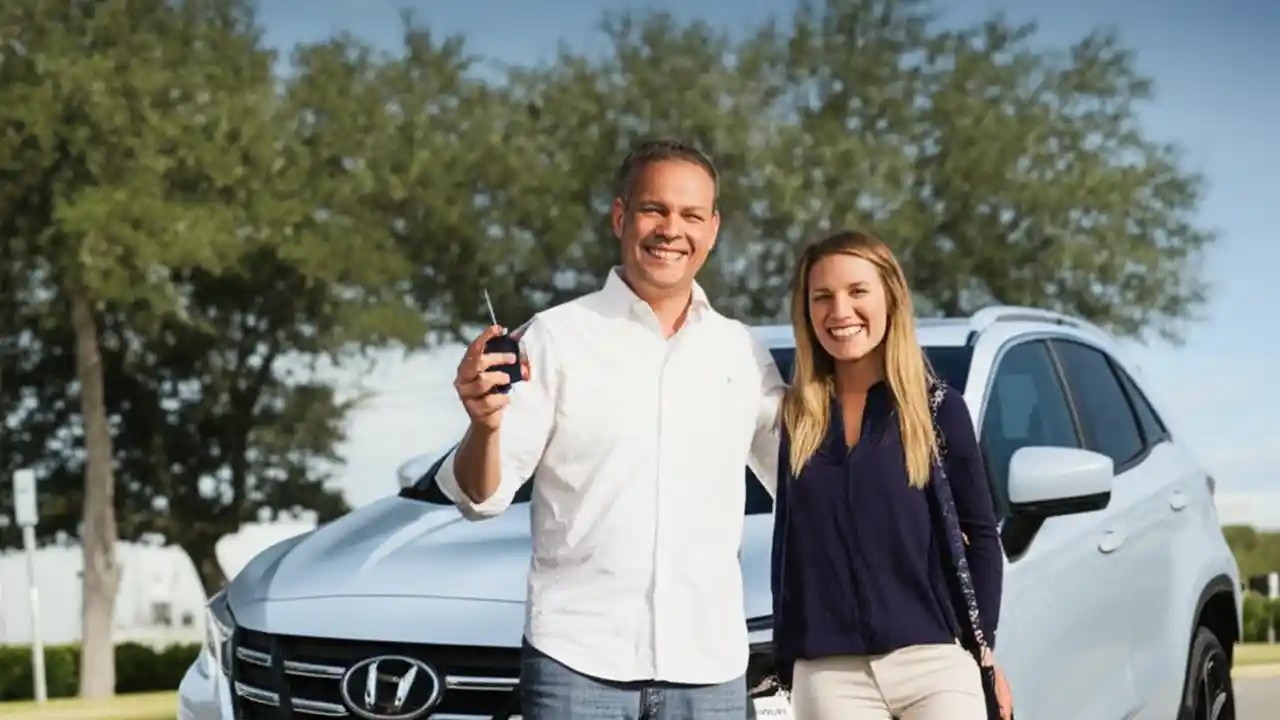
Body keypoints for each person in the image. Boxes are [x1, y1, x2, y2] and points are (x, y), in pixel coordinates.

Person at [435, 138, 786, 719]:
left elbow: (806, 481)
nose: (671, 229)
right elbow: (481, 496)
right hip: (576, 664)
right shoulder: (552, 338)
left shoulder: (740, 352)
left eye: (691, 215)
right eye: (655, 209)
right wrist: (484, 426)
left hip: (711, 670)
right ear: (621, 216)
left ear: (713, 229)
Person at [769, 230, 1013, 719]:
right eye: (823, 297)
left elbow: (983, 539)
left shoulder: (939, 410)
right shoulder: (797, 418)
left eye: (858, 291)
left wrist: (982, 656)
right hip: (829, 674)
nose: (840, 311)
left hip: (935, 664)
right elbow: (787, 547)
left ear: (890, 298)